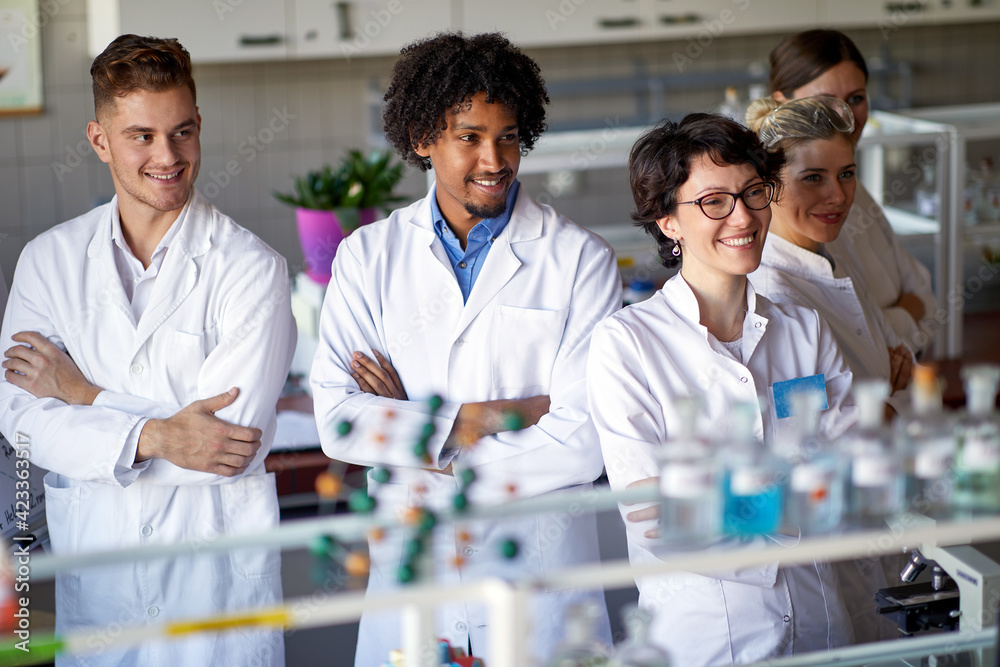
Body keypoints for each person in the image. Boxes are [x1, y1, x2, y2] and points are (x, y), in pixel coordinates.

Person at [311, 32, 619, 665]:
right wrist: (475, 420)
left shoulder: (578, 259)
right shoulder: (369, 257)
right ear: (424, 139)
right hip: (414, 576)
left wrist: (418, 439)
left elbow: (583, 439)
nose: (494, 159)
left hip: (538, 581)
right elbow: (340, 419)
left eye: (507, 136)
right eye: (470, 136)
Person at [0, 35, 294, 665]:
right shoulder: (48, 262)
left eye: (182, 132)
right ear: (99, 140)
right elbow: (24, 424)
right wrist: (157, 436)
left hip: (217, 603)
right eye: (141, 136)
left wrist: (83, 395)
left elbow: (224, 444)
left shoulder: (251, 269)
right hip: (101, 588)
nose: (168, 155)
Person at [588, 113, 857, 666]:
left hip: (822, 630)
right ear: (668, 221)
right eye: (714, 202)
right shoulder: (627, 346)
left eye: (754, 193)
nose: (744, 216)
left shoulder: (803, 329)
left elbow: (854, 475)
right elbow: (659, 519)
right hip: (707, 644)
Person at [746, 95, 911, 644]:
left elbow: (887, 367)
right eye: (812, 177)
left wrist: (884, 382)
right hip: (826, 544)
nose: (837, 195)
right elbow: (809, 436)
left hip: (876, 513)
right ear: (768, 185)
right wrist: (879, 403)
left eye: (846, 174)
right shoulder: (772, 289)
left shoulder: (829, 258)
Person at [769, 29, 938, 357]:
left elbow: (925, 298)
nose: (844, 115)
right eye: (824, 101)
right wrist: (897, 329)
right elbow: (843, 339)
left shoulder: (852, 191)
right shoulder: (799, 211)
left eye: (856, 98)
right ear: (781, 105)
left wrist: (890, 345)